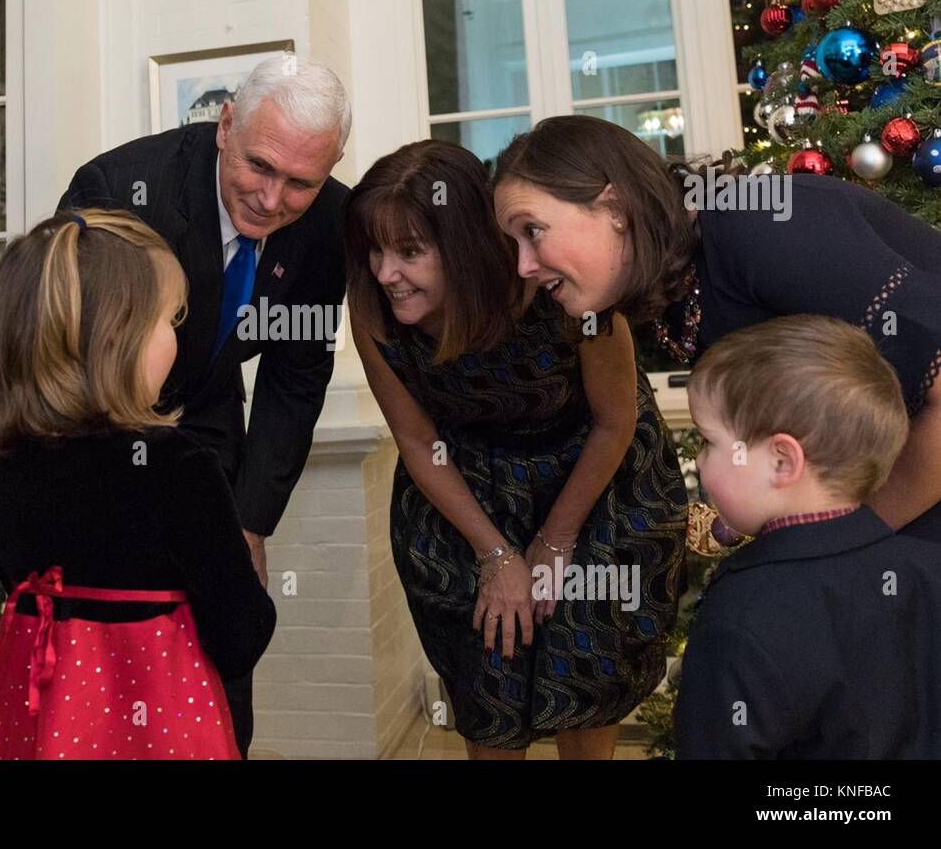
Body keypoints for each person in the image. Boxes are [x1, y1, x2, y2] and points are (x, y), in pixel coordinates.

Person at [347, 140, 686, 759]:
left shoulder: (562, 291)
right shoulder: (373, 309)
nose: (385, 273)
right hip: (466, 493)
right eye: (375, 249)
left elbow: (616, 422)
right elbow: (419, 442)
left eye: (411, 251)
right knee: (490, 692)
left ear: (467, 247)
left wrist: (554, 543)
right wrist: (497, 556)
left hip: (597, 481)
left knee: (586, 684)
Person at [56, 55, 350, 756]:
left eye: (301, 182)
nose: (273, 200)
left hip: (211, 423)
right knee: (110, 644)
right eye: (260, 167)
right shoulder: (121, 189)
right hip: (98, 428)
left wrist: (249, 520)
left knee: (221, 649)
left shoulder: (331, 221)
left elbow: (296, 375)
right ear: (225, 126)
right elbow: (65, 359)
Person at [492, 115, 941, 544]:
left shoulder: (761, 226)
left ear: (615, 207)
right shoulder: (670, 291)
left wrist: (846, 547)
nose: (523, 266)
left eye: (532, 230)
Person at [0, 212, 275, 760]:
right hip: (156, 735)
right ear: (117, 339)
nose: (175, 340)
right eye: (167, 321)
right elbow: (240, 634)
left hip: (43, 733)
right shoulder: (177, 466)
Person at [674, 316, 941, 759]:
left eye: (709, 442)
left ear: (782, 461)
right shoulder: (926, 571)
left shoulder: (741, 615)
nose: (700, 463)